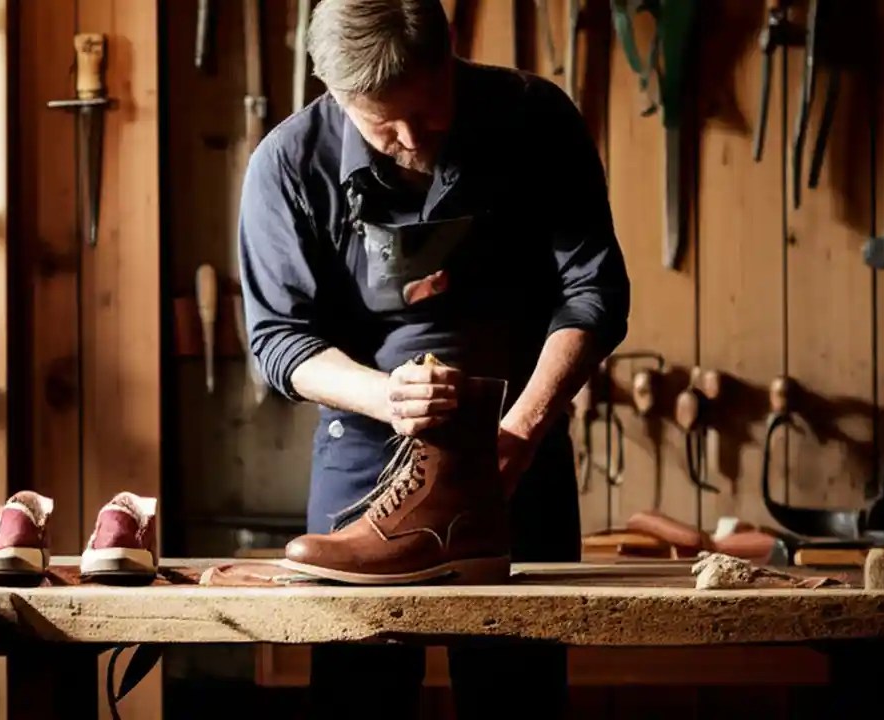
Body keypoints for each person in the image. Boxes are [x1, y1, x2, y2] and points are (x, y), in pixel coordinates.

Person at [237, 0, 630, 716]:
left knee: (519, 695)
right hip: (364, 463)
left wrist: (522, 429)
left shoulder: (534, 118)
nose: (414, 140)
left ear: (450, 55)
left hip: (519, 446)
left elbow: (594, 289)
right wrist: (389, 398)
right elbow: (278, 340)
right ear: (333, 91)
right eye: (382, 124)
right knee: (360, 698)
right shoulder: (289, 164)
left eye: (429, 109)